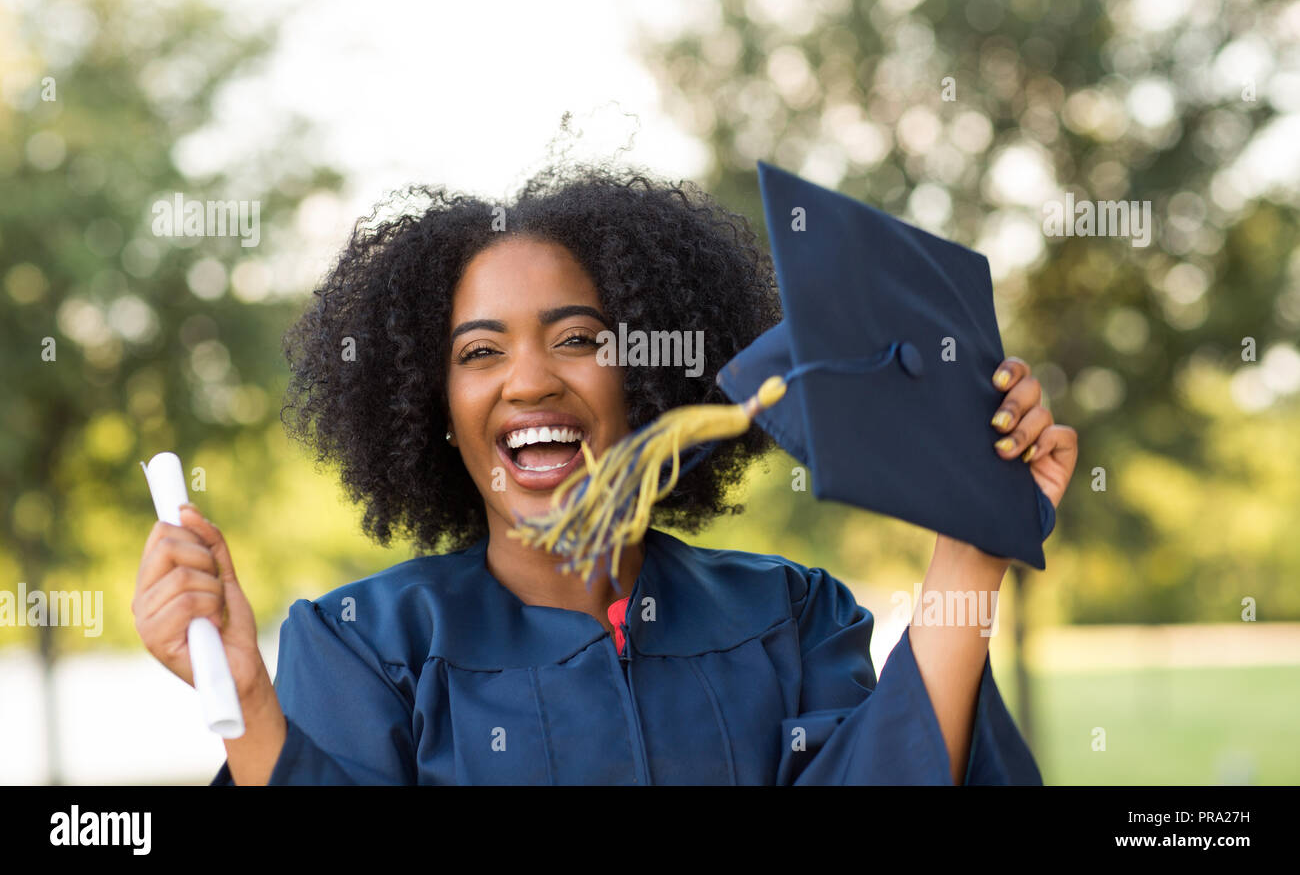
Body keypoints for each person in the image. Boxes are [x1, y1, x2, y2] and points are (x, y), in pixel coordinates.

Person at [132, 162, 1078, 785]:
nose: (530, 380)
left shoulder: (788, 617)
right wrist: (250, 705)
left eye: (578, 339)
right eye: (478, 353)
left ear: (647, 376)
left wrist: (970, 544)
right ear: (433, 411)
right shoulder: (365, 646)